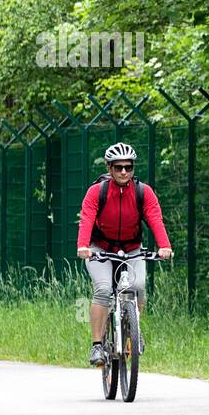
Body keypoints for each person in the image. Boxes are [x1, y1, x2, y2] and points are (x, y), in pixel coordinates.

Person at [77, 142, 174, 366]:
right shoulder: (97, 192)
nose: (123, 172)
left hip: (132, 249)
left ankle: (134, 330)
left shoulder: (143, 192)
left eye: (128, 168)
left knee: (138, 286)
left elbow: (155, 218)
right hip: (100, 248)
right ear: (109, 168)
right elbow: (87, 218)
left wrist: (164, 246)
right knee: (102, 289)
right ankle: (97, 346)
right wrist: (83, 246)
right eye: (118, 167)